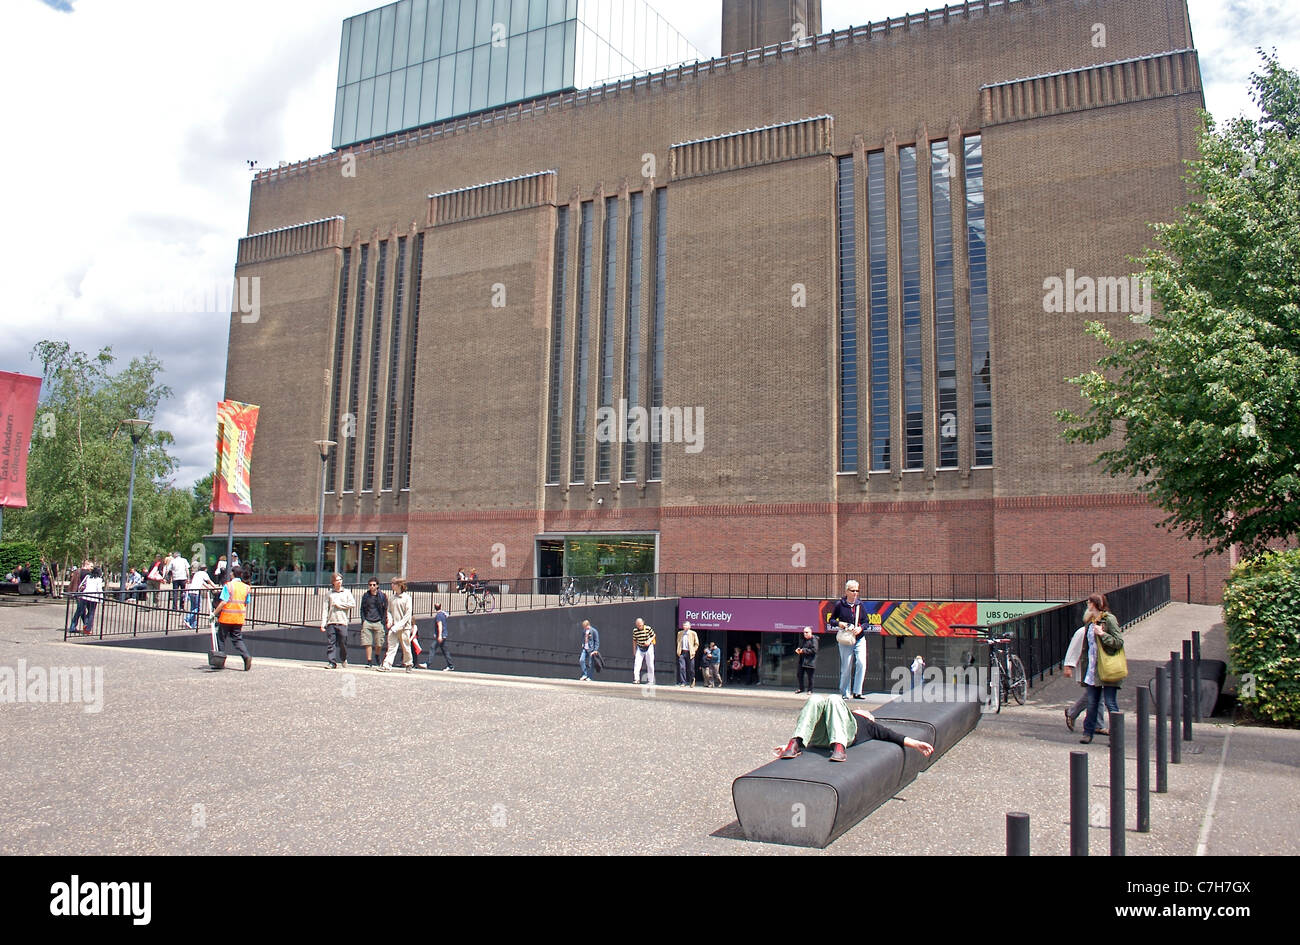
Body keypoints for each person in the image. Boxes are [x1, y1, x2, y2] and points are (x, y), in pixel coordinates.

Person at [775, 695, 935, 762]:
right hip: (821, 737)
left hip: (844, 736)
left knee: (834, 698)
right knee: (816, 699)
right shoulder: (835, 711)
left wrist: (915, 744)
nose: (860, 708)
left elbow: (891, 735)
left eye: (865, 711)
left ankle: (839, 746)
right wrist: (790, 745)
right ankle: (794, 743)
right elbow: (809, 722)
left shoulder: (867, 724)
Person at [1079, 593, 1123, 744]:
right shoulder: (1090, 622)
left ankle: (1116, 736)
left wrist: (1103, 634)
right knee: (1092, 703)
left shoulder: (1109, 619)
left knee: (1110, 702)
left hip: (1107, 667)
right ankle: (1087, 732)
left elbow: (1118, 642)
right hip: (1093, 669)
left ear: (1094, 604)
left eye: (1089, 602)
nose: (1087, 605)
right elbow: (1088, 647)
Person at [828, 579, 869, 700]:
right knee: (846, 667)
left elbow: (866, 621)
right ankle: (845, 692)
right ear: (847, 591)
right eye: (853, 590)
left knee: (861, 663)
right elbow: (831, 620)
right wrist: (839, 623)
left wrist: (860, 628)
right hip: (846, 639)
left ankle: (857, 691)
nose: (855, 593)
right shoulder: (840, 604)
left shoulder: (860, 605)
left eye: (857, 590)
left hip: (859, 638)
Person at [1063, 624, 1106, 735]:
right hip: (1089, 669)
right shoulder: (1084, 631)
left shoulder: (1101, 630)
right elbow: (1074, 648)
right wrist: (1068, 665)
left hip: (1098, 668)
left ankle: (1097, 724)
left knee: (1098, 694)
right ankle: (1073, 712)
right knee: (1094, 693)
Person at [212, 565, 253, 671]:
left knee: (221, 638)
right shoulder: (246, 587)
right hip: (239, 617)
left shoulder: (229, 586)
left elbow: (224, 602)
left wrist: (214, 613)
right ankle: (246, 656)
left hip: (227, 617)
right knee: (237, 639)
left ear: (232, 574)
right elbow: (246, 602)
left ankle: (219, 662)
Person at [320, 573, 356, 669]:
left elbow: (352, 604)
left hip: (342, 621)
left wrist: (340, 605)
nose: (339, 581)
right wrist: (323, 623)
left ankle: (343, 658)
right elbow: (325, 609)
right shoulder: (329, 594)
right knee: (331, 643)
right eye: (337, 580)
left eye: (340, 579)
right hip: (331, 621)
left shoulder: (347, 592)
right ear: (333, 582)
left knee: (343, 642)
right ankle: (332, 662)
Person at [378, 578, 414, 673]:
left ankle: (408, 663)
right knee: (391, 647)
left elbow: (407, 615)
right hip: (394, 627)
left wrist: (398, 625)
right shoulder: (392, 598)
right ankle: (387, 665)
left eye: (394, 584)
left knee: (406, 647)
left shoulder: (407, 598)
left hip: (404, 628)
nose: (392, 585)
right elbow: (389, 611)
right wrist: (389, 620)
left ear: (399, 585)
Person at [359, 578, 389, 668]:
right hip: (367, 621)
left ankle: (377, 655)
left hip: (378, 621)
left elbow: (385, 609)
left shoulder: (382, 596)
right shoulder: (366, 596)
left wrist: (383, 621)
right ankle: (369, 661)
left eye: (374, 585)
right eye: (370, 585)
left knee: (379, 642)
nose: (372, 587)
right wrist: (363, 620)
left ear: (377, 585)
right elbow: (362, 608)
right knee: (367, 642)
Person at [185, 563, 218, 630]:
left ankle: (193, 624)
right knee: (197, 608)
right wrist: (215, 587)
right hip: (196, 592)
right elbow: (209, 581)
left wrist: (209, 588)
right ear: (205, 569)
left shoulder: (197, 574)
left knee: (193, 607)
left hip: (191, 591)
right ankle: (187, 619)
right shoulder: (204, 574)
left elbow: (203, 583)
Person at [65, 560, 91, 634]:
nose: (91, 568)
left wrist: (72, 591)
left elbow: (72, 582)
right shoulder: (88, 574)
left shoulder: (77, 571)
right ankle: (75, 626)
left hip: (77, 592)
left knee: (81, 610)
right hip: (83, 593)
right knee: (81, 610)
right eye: (90, 566)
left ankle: (85, 625)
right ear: (87, 564)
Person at [80, 566, 104, 635]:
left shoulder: (88, 577)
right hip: (93, 597)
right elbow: (99, 589)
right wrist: (101, 599)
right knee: (91, 613)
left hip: (85, 596)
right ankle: (88, 628)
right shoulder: (99, 579)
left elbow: (82, 585)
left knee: (88, 612)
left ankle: (86, 624)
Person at [794, 625, 819, 693]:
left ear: (810, 632)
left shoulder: (814, 639)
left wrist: (803, 650)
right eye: (804, 632)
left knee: (810, 677)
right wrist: (798, 649)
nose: (805, 634)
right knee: (799, 675)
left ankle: (810, 690)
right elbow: (800, 647)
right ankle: (801, 688)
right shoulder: (803, 639)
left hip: (810, 661)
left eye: (807, 632)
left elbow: (814, 650)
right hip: (802, 660)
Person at [632, 617, 656, 686]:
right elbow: (634, 640)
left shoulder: (648, 628)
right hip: (640, 647)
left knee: (650, 664)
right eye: (638, 625)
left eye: (640, 624)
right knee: (637, 663)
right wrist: (634, 650)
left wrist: (649, 641)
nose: (639, 626)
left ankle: (651, 680)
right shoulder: (635, 631)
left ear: (643, 623)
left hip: (649, 647)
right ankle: (636, 679)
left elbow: (654, 635)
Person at [431, 602, 454, 671]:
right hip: (444, 635)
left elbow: (440, 625)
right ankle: (450, 665)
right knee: (445, 651)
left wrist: (439, 635)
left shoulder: (438, 616)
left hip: (440, 636)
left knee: (433, 647)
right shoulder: (443, 614)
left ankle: (428, 663)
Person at [676, 620, 699, 687]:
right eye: (683, 625)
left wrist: (694, 650)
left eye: (686, 625)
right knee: (682, 667)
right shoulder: (680, 633)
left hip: (690, 652)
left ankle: (692, 680)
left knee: (691, 668)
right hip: (682, 652)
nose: (684, 626)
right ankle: (683, 682)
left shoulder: (693, 633)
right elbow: (678, 642)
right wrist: (678, 650)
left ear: (689, 626)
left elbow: (696, 643)